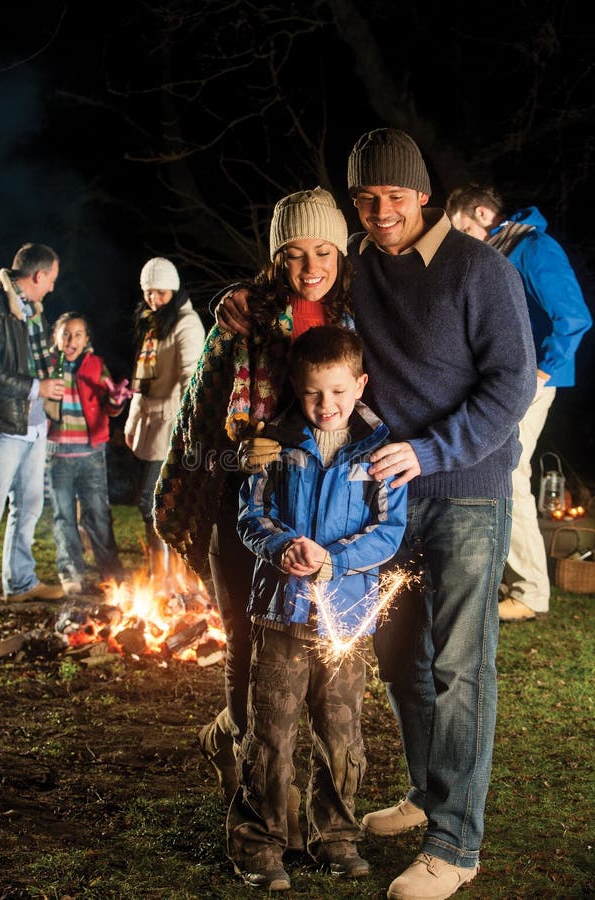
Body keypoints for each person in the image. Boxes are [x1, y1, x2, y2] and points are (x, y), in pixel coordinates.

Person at [215, 129, 536, 900]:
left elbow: (513, 382)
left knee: (460, 665)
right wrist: (238, 298)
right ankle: (426, 791)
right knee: (397, 659)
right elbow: (299, 285)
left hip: (463, 488)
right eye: (366, 198)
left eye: (394, 195)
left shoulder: (479, 269)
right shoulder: (356, 267)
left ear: (423, 193)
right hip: (383, 493)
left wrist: (432, 450)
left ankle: (455, 843)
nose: (381, 210)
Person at [153, 188, 354, 848]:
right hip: (242, 509)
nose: (309, 267)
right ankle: (266, 793)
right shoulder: (239, 320)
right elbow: (195, 431)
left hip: (321, 514)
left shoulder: (355, 319)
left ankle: (233, 742)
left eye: (323, 252)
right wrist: (239, 453)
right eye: (293, 254)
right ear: (275, 258)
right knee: (245, 646)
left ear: (341, 254)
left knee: (312, 656)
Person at [227, 325, 407, 891]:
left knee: (341, 735)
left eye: (337, 391)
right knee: (271, 736)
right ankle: (261, 844)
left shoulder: (381, 453)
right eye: (312, 393)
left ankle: (336, 838)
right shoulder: (274, 446)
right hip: (280, 614)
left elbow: (389, 531)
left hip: (345, 623)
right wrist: (283, 547)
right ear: (295, 388)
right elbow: (251, 516)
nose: (325, 404)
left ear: (360, 385)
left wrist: (333, 560)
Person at [445, 184, 593, 621]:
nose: (464, 239)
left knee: (510, 473)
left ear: (482, 213)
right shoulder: (503, 251)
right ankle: (507, 581)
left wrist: (541, 373)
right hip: (502, 379)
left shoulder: (534, 247)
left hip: (529, 381)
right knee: (494, 471)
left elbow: (575, 317)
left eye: (464, 229)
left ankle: (530, 592)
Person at [124, 256, 205, 585]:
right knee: (155, 504)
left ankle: (169, 579)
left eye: (159, 292)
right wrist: (132, 422)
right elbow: (142, 382)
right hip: (151, 426)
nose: (153, 298)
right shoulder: (155, 324)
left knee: (153, 502)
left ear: (173, 290)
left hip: (172, 426)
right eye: (148, 292)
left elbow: (191, 377)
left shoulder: (186, 323)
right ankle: (162, 576)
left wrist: (189, 428)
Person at [0, 243, 66, 602]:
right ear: (38, 275)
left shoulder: (33, 312)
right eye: (51, 279)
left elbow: (37, 360)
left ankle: (20, 583)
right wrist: (38, 387)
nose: (52, 287)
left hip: (34, 426)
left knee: (28, 507)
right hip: (3, 426)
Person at [46, 312, 132, 594]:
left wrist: (116, 400)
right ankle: (71, 573)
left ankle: (111, 575)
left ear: (86, 340)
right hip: (57, 454)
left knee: (98, 515)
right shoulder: (47, 365)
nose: (71, 339)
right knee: (64, 517)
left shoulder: (96, 365)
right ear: (56, 337)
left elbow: (110, 405)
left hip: (91, 454)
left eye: (78, 334)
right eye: (65, 334)